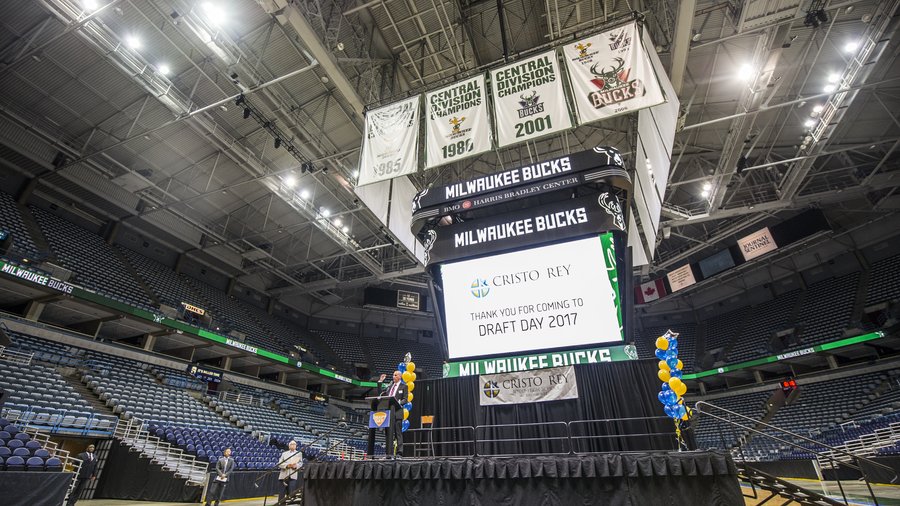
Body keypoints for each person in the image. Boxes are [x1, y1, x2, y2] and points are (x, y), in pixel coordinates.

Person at [378, 370, 409, 458]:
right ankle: (388, 453)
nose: (393, 377)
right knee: (388, 434)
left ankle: (399, 453)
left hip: (397, 413)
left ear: (400, 376)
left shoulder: (404, 386)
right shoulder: (389, 386)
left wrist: (399, 402)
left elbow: (405, 399)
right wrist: (380, 381)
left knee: (398, 433)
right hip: (388, 414)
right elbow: (381, 393)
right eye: (393, 375)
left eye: (395, 375)